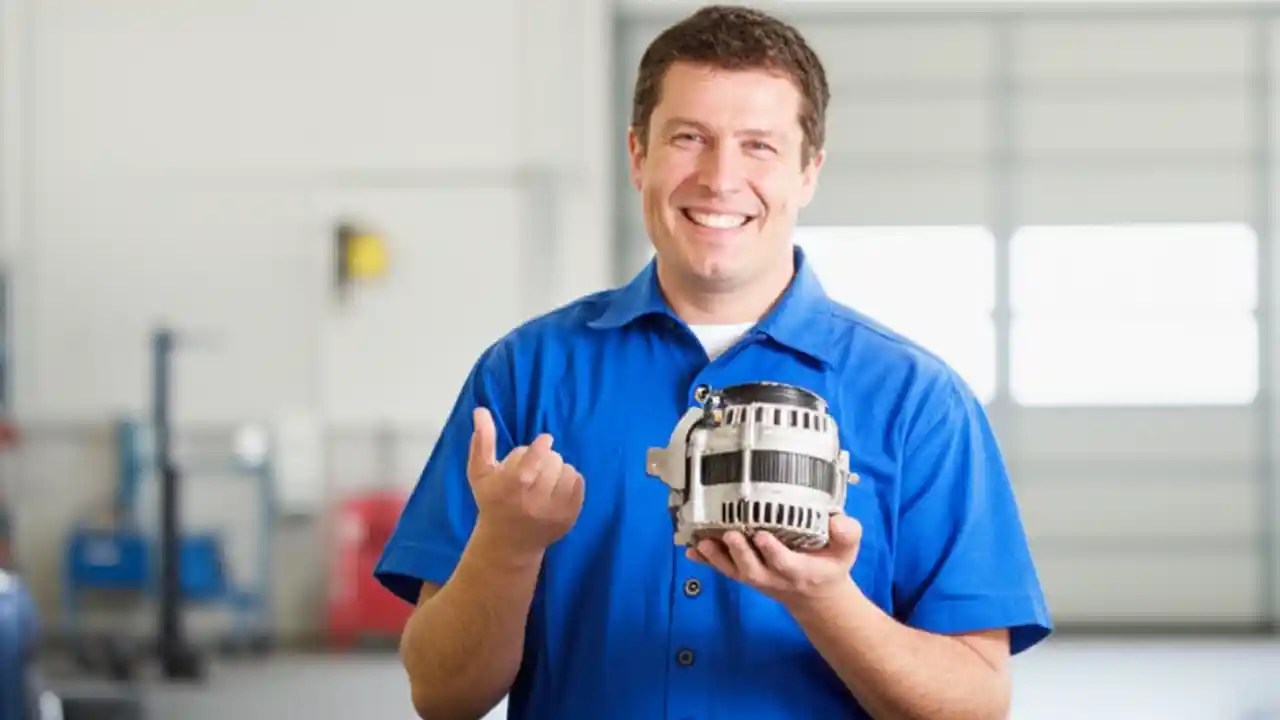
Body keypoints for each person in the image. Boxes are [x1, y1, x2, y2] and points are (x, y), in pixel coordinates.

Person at [375, 5, 1052, 719]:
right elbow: (443, 697)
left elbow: (976, 705)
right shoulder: (525, 376)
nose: (720, 178)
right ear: (637, 155)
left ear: (809, 171)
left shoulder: (917, 402)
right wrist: (508, 547)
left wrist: (822, 599)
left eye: (758, 145)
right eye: (689, 138)